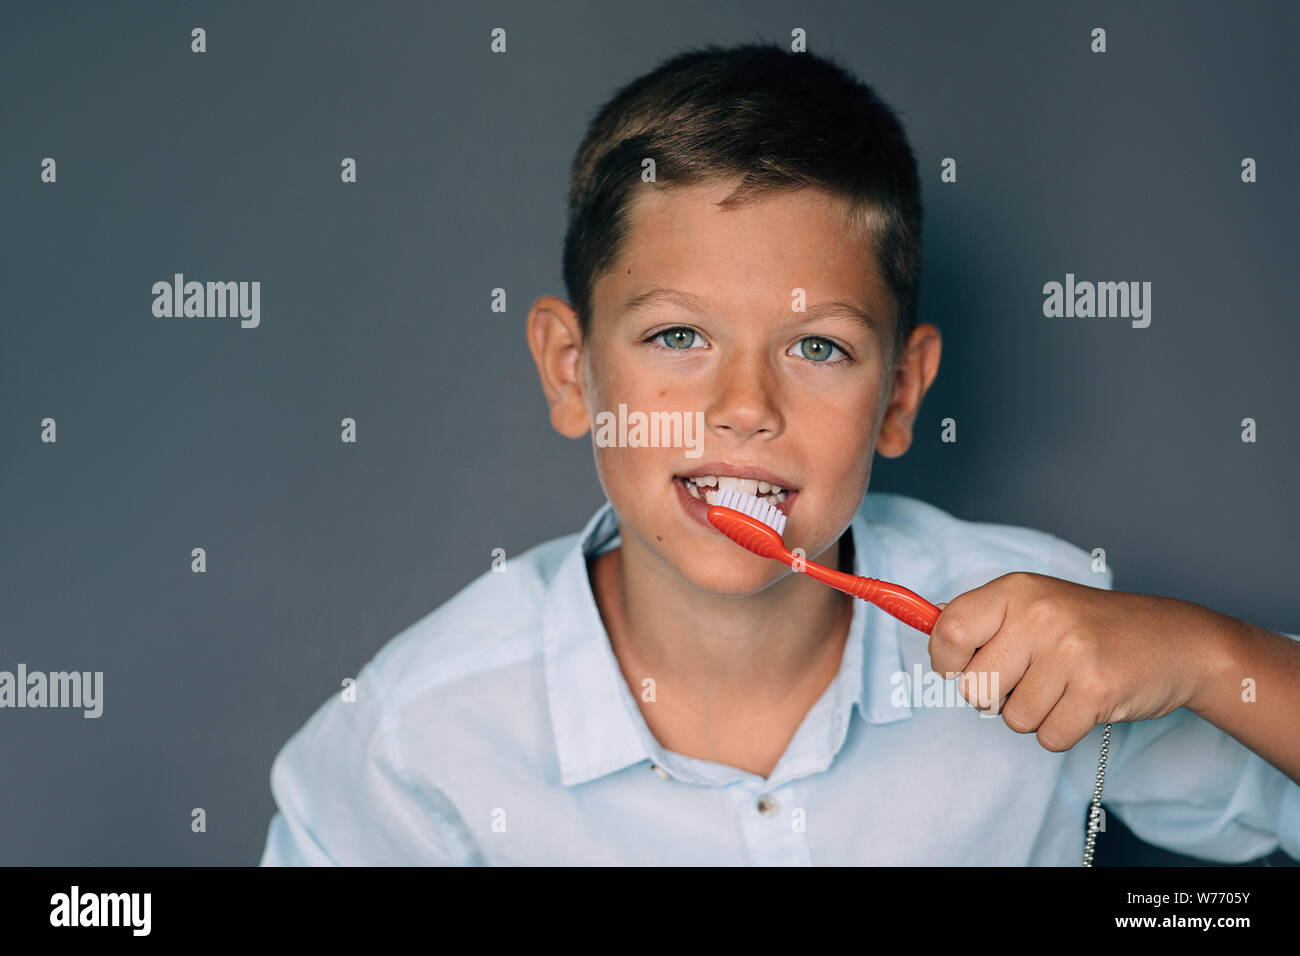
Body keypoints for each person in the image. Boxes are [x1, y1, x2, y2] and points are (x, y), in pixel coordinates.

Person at [259, 42, 1300, 865]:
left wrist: (1210, 657)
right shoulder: (418, 743)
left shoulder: (1057, 637)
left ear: (898, 395)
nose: (745, 406)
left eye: (817, 347)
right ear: (572, 371)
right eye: (678, 336)